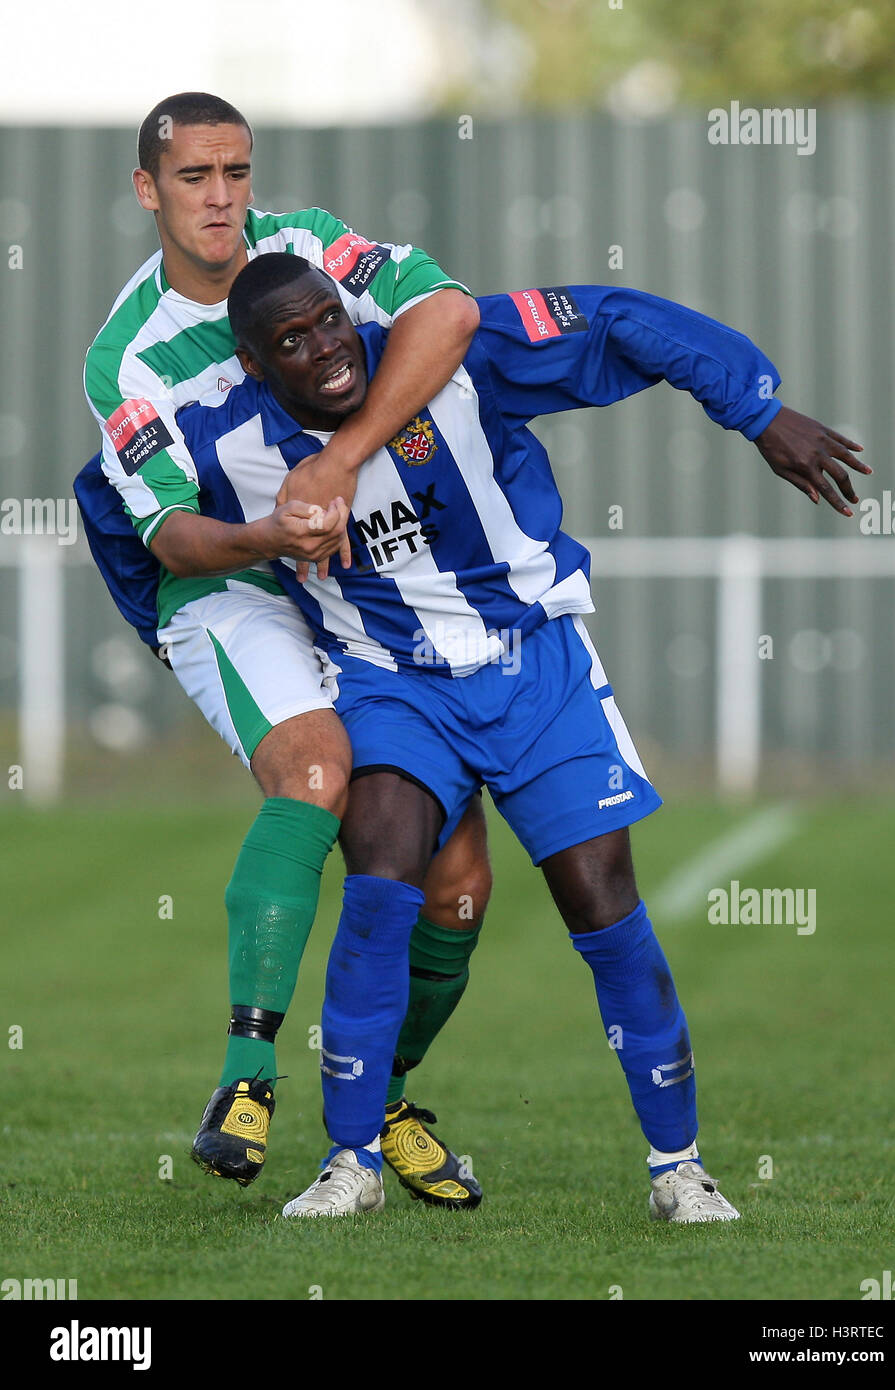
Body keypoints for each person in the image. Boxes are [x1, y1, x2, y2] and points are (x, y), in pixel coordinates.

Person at [169, 254, 869, 1220]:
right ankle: (350, 1164)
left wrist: (754, 409)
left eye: (329, 321)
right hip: (392, 684)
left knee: (601, 904)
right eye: (290, 341)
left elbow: (617, 315)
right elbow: (149, 519)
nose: (325, 349)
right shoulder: (228, 443)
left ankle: (681, 1170)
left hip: (532, 662)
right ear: (253, 365)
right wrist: (211, 595)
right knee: (381, 882)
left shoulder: (446, 358)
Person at [77, 91, 491, 1210]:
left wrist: (340, 465)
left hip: (359, 565)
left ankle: (382, 1098)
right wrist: (276, 530)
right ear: (147, 189)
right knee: (314, 767)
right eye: (194, 177)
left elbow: (448, 310)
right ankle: (246, 1077)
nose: (221, 198)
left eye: (236, 173)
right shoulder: (128, 356)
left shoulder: (308, 249)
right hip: (228, 580)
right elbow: (168, 530)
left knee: (454, 885)